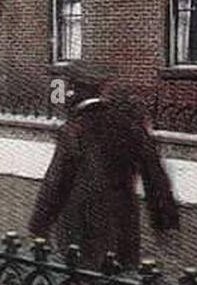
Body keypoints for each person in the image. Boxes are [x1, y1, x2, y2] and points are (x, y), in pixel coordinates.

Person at [29, 62, 179, 272]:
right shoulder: (129, 125)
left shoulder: (74, 130)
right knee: (119, 280)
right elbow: (154, 175)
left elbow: (56, 182)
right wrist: (165, 221)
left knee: (83, 283)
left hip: (80, 227)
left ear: (75, 92)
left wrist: (39, 224)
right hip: (122, 222)